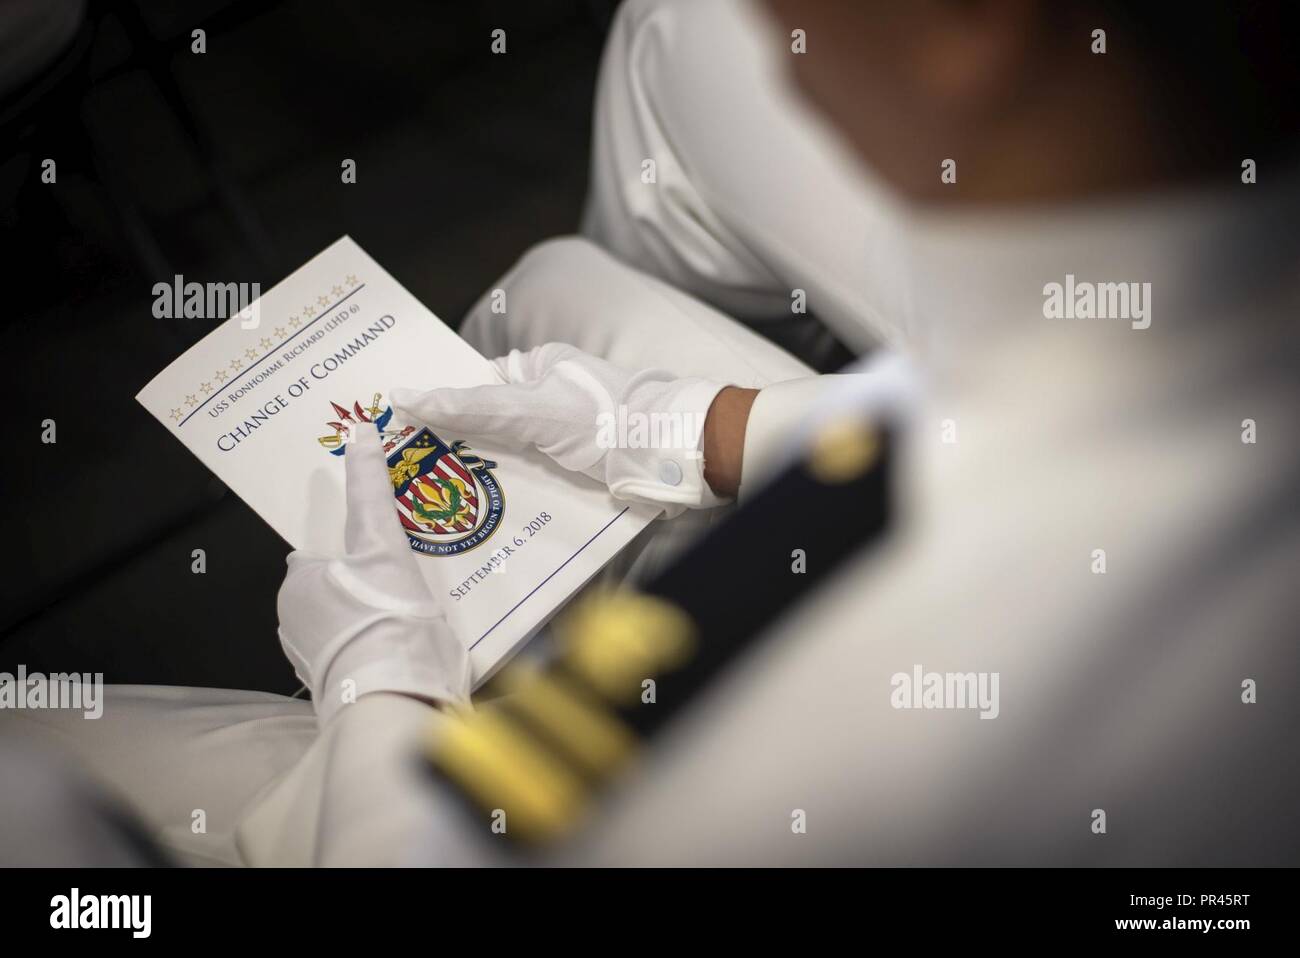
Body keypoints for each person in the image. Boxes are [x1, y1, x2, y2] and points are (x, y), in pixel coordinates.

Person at [5, 0, 1299, 866]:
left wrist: (376, 678)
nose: (775, 30)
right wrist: (655, 427)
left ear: (977, 34)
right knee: (555, 289)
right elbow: (979, 422)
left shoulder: (815, 711)